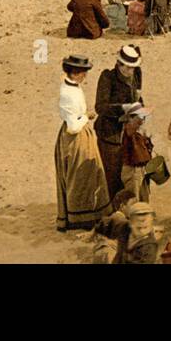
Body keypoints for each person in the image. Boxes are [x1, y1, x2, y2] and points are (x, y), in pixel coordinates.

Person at [55, 54, 111, 231]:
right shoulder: (68, 94)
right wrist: (86, 116)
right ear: (75, 73)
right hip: (76, 139)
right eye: (83, 72)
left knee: (88, 176)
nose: (85, 75)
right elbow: (72, 126)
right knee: (79, 178)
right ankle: (79, 218)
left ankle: (88, 214)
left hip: (82, 136)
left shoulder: (73, 87)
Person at [95, 45, 143, 202]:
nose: (130, 71)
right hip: (111, 135)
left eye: (133, 68)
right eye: (127, 68)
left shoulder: (137, 74)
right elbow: (100, 107)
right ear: (119, 64)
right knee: (113, 176)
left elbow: (138, 97)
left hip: (130, 132)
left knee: (131, 172)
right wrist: (123, 108)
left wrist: (140, 111)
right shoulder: (107, 77)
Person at [94, 201, 160, 264]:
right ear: (130, 222)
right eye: (138, 226)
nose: (142, 227)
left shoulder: (149, 247)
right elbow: (112, 220)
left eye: (145, 226)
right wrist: (94, 231)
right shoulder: (124, 226)